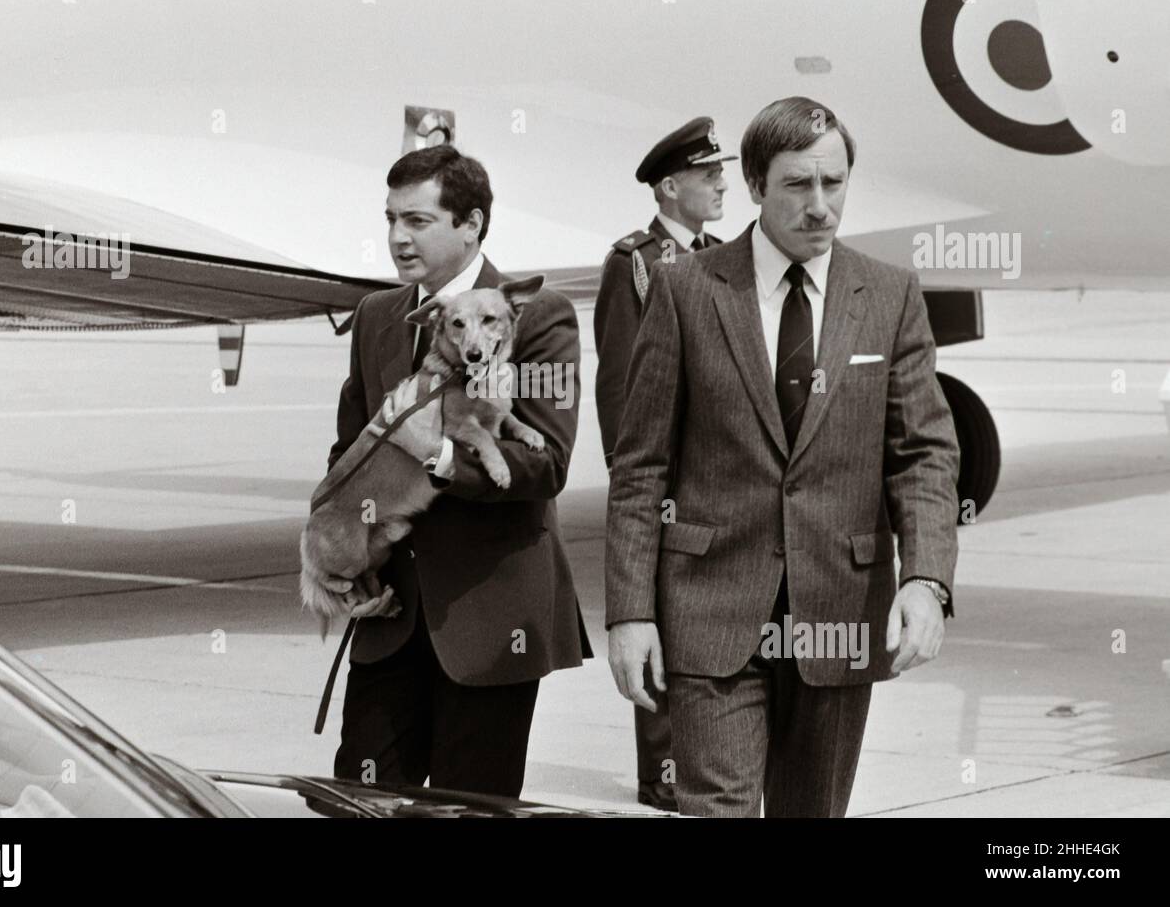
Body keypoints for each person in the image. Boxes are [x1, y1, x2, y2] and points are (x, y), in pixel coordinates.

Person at [604, 97, 960, 817]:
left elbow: (923, 452)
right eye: (799, 185)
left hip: (838, 610)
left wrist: (926, 577)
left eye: (834, 183)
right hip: (712, 611)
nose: (821, 206)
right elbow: (640, 464)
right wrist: (629, 612)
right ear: (759, 187)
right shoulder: (686, 290)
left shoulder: (888, 295)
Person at [326, 144, 590, 799]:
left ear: (470, 223)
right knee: (358, 802)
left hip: (489, 628)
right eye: (390, 219)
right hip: (389, 621)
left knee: (472, 811)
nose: (396, 237)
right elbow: (348, 453)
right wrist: (348, 556)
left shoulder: (538, 314)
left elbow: (545, 461)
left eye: (416, 220)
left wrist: (439, 455)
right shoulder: (377, 317)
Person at [592, 115, 735, 812]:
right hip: (668, 486)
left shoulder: (721, 256)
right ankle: (666, 782)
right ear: (670, 185)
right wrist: (639, 493)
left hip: (718, 482)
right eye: (709, 175)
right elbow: (620, 388)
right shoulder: (636, 264)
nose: (722, 184)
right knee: (663, 632)